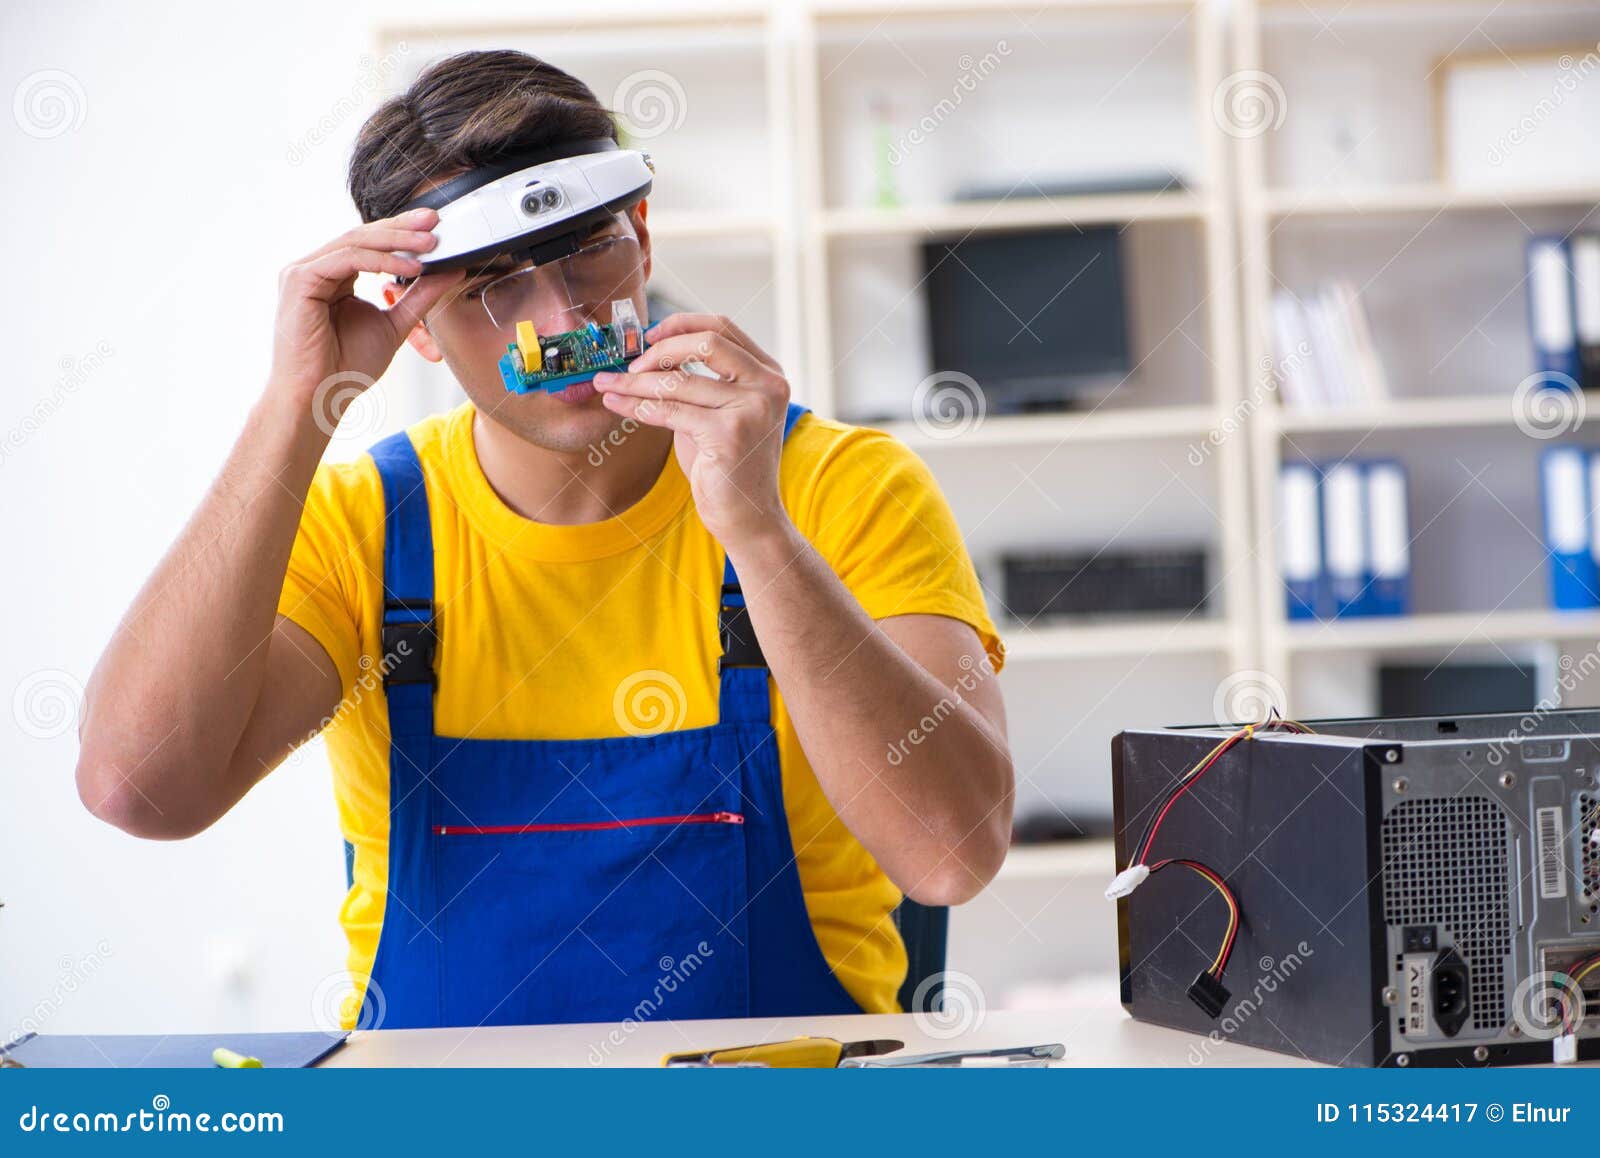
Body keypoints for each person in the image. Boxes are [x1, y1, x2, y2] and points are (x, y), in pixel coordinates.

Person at [75, 49, 1013, 1028]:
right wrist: (297, 408)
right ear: (418, 324)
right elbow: (139, 791)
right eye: (491, 282)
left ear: (642, 240)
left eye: (586, 253)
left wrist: (757, 531)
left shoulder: (836, 485)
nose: (562, 318)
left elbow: (952, 855)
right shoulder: (365, 527)